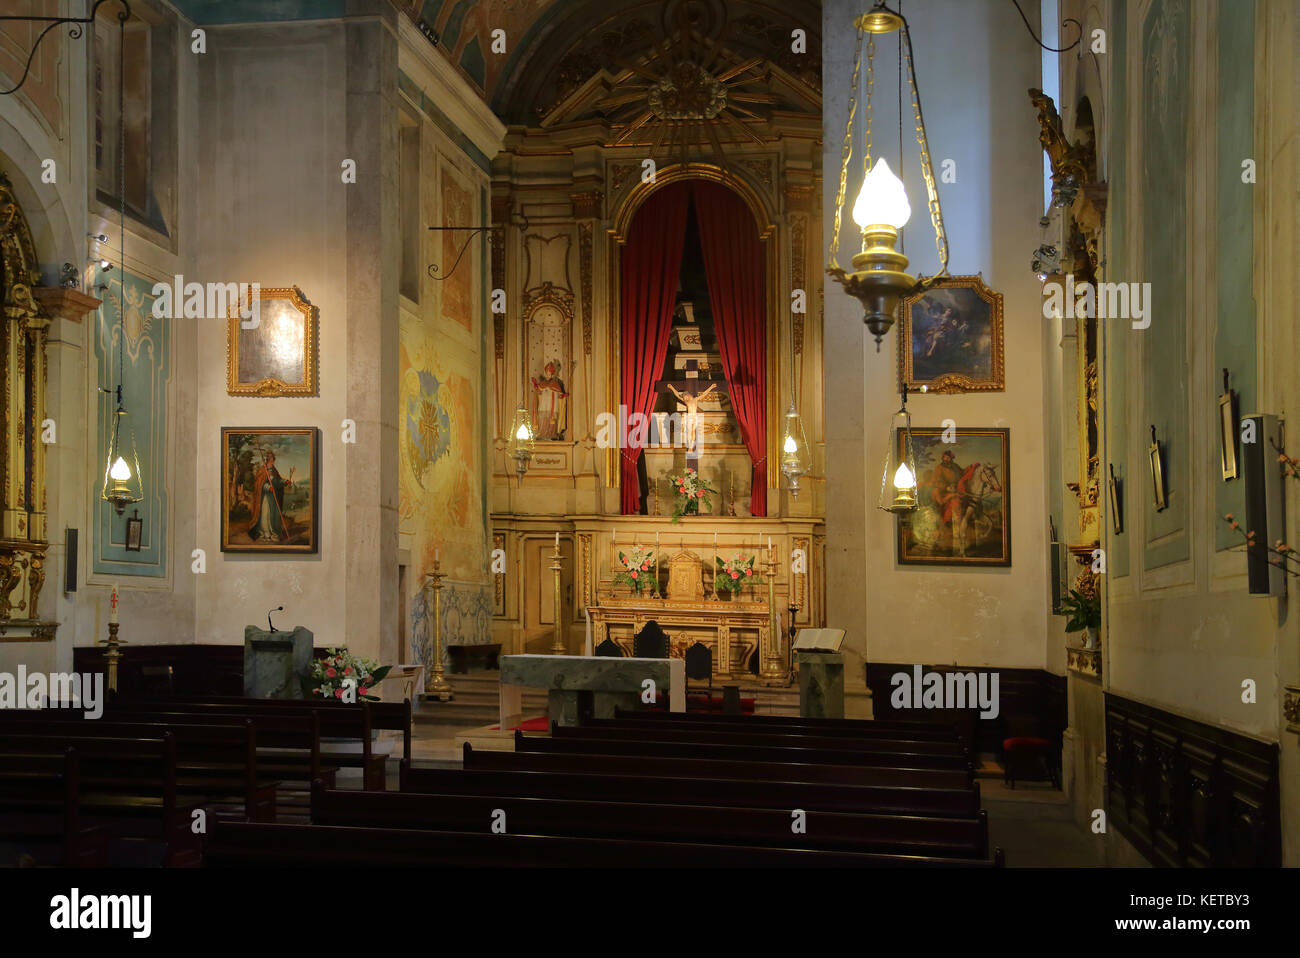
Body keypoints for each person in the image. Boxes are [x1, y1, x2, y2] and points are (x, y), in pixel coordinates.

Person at [248, 449, 293, 542]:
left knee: (274, 515)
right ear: (268, 459)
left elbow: (277, 481)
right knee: (265, 514)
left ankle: (274, 533)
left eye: (273, 460)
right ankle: (265, 533)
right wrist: (268, 487)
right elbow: (259, 484)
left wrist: (285, 482)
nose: (273, 461)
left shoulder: (274, 470)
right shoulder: (262, 470)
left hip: (273, 497)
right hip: (264, 498)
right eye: (271, 460)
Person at [531, 360, 569, 440]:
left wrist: (563, 395)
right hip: (543, 405)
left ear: (552, 374)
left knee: (552, 419)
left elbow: (559, 396)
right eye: (546, 373)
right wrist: (535, 385)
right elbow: (538, 393)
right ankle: (542, 434)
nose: (548, 375)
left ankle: (552, 434)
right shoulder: (542, 383)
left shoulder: (556, 384)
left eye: (549, 373)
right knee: (543, 418)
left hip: (552, 406)